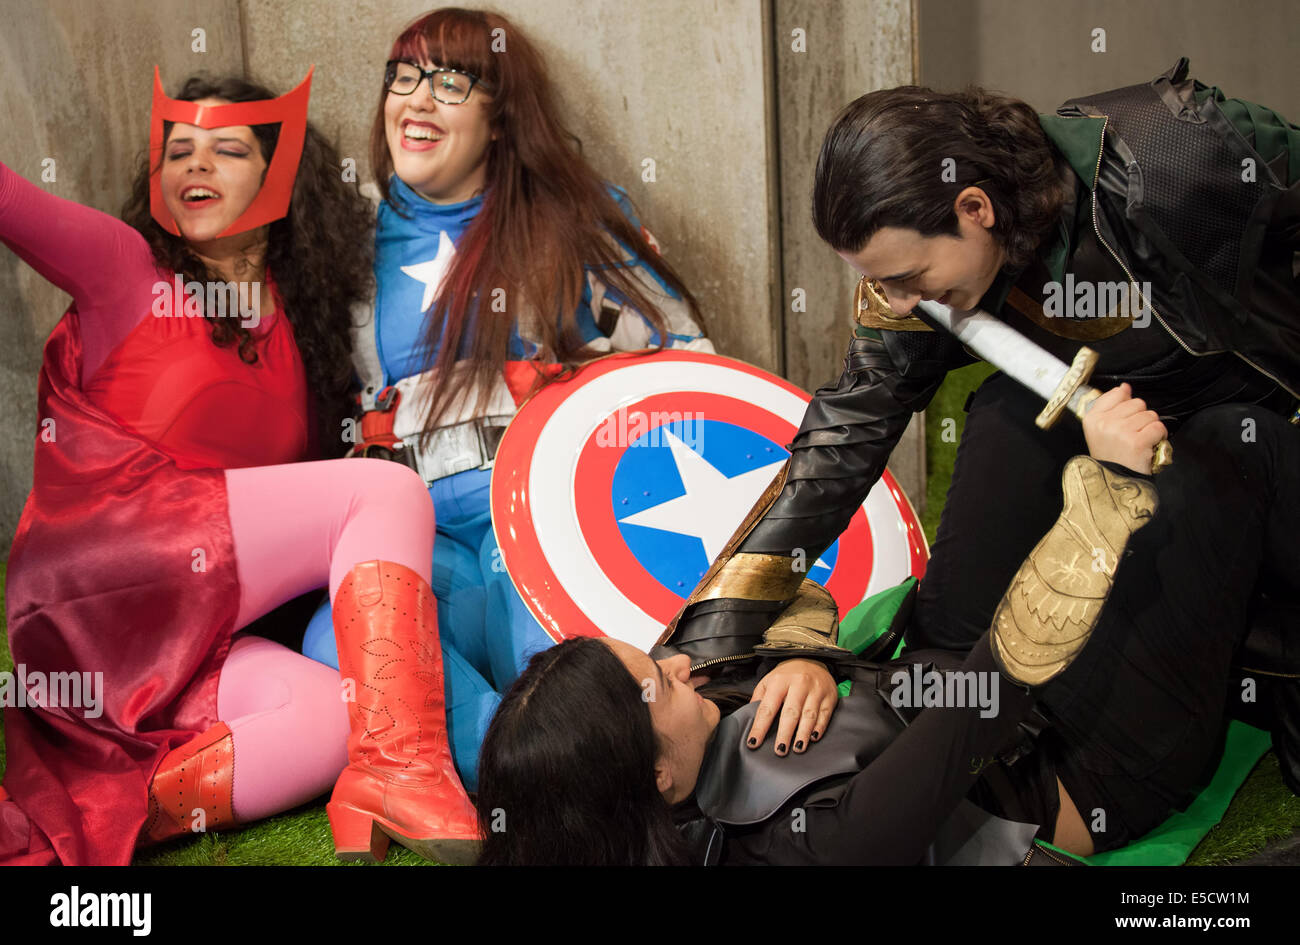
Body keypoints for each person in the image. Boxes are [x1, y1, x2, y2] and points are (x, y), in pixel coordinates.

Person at [658, 58, 1300, 792]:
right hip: (1123, 424)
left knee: (1217, 451)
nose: (895, 304)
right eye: (878, 282)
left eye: (906, 278)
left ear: (975, 208)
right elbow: (840, 444)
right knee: (1004, 414)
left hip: (1261, 429)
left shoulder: (1177, 153)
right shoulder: (907, 285)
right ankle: (946, 698)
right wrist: (702, 657)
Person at [476, 401, 1300, 864]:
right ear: (654, 778)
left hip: (932, 665)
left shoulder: (658, 742)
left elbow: (764, 590)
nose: (684, 665)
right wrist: (1106, 494)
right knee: (1224, 451)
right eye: (657, 682)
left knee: (1018, 415)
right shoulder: (818, 852)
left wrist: (806, 660)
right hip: (1079, 766)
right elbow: (994, 691)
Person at [0, 70, 477, 865]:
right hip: (105, 578)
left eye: (226, 151)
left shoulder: (303, 331)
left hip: (193, 629)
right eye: (178, 151)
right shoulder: (126, 270)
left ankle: (83, 816)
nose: (194, 166)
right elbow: (14, 202)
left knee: (330, 718)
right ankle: (405, 765)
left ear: (280, 176)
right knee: (385, 488)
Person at [300, 7, 713, 792]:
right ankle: (530, 785)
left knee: (551, 662)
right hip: (416, 535)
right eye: (404, 77)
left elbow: (690, 368)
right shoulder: (342, 241)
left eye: (451, 82)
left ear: (500, 117)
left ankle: (559, 789)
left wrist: (619, 484)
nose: (416, 101)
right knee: (338, 638)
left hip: (533, 522)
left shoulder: (570, 222)